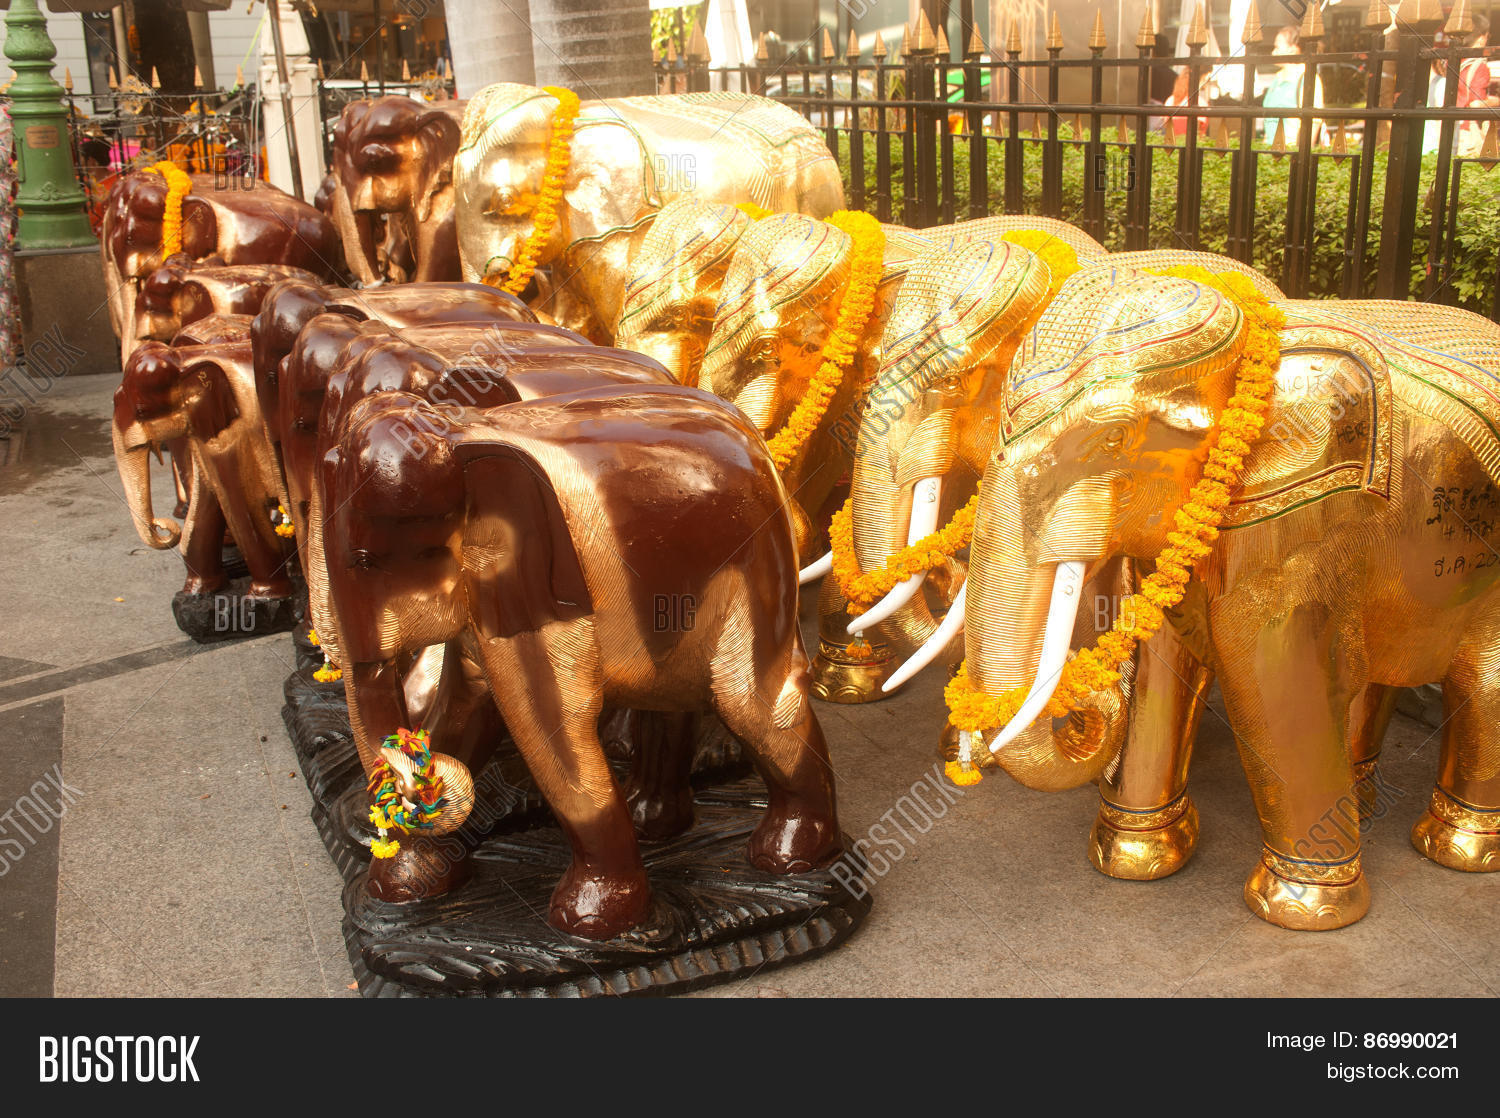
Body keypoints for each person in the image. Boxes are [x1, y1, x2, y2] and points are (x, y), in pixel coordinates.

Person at [1261, 26, 1324, 145]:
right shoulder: (1277, 78)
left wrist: (1301, 158)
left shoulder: (1307, 78)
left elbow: (1314, 122)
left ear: (1293, 49)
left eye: (1277, 47)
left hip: (1291, 152)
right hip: (1270, 153)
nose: (1273, 52)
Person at [1456, 17, 1495, 157]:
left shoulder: (1453, 61)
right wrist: (1496, 101)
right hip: (1468, 132)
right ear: (1480, 38)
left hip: (1449, 128)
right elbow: (1477, 104)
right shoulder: (1479, 66)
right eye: (1487, 35)